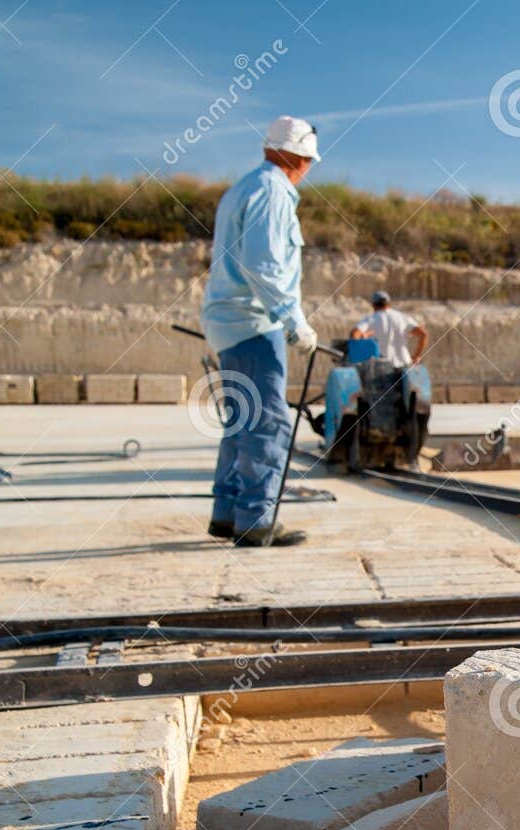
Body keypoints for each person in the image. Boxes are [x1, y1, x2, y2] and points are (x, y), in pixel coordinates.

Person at [199, 115, 320, 548]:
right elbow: (263, 265)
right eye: (309, 162)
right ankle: (255, 520)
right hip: (252, 323)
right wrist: (294, 321)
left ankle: (227, 513)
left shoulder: (244, 187)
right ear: (300, 158)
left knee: (242, 421)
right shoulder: (273, 191)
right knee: (268, 422)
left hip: (227, 324)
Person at [350, 290, 427, 368]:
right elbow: (423, 334)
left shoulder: (371, 319)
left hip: (382, 367)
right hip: (405, 365)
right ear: (389, 303)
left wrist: (362, 343)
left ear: (373, 305)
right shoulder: (402, 317)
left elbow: (354, 334)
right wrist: (416, 355)